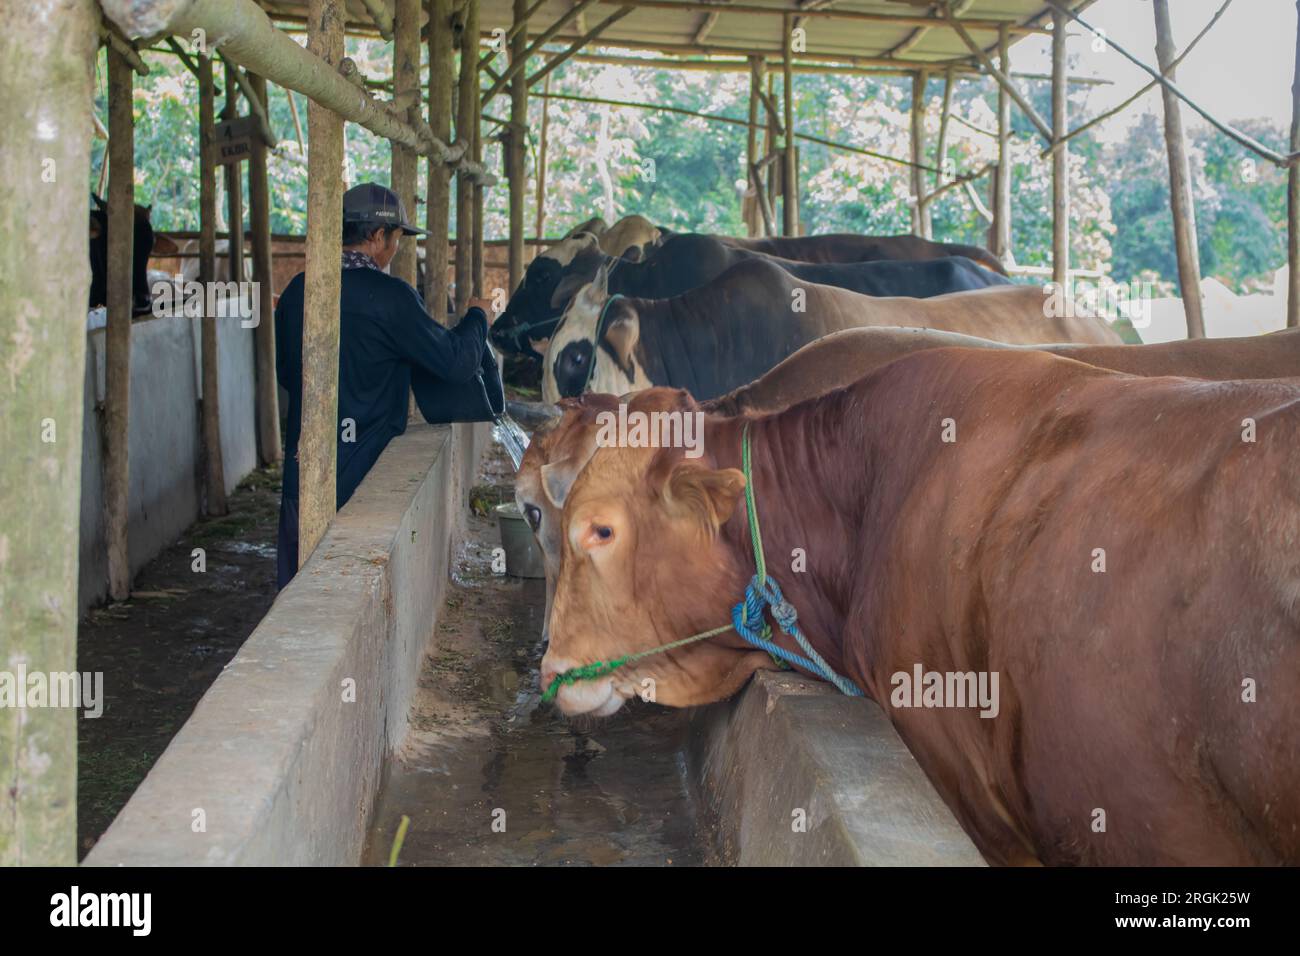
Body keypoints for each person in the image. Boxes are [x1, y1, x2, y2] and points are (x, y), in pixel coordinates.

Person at [274, 181, 489, 589]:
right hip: (363, 480)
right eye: (395, 239)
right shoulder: (391, 298)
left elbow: (287, 375)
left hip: (301, 480)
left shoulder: (298, 291)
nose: (396, 248)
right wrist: (477, 318)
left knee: (296, 589)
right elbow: (456, 363)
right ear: (376, 237)